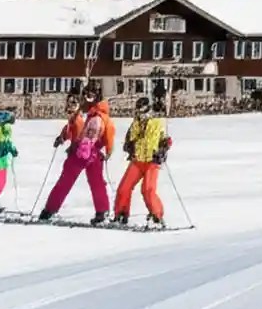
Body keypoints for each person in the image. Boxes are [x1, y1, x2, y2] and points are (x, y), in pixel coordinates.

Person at [38, 82, 115, 224]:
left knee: (67, 179)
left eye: (88, 97)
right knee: (96, 182)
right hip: (95, 154)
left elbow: (88, 135)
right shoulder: (98, 115)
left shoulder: (96, 117)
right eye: (85, 96)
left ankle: (50, 209)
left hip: (86, 153)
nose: (85, 99)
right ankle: (101, 211)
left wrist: (78, 147)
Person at [113, 98, 172, 227]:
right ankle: (121, 214)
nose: (141, 114)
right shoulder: (135, 124)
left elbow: (166, 140)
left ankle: (157, 216)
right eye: (139, 111)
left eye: (143, 111)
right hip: (137, 160)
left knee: (147, 190)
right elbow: (129, 140)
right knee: (124, 188)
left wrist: (162, 150)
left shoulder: (156, 123)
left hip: (151, 161)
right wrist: (129, 146)